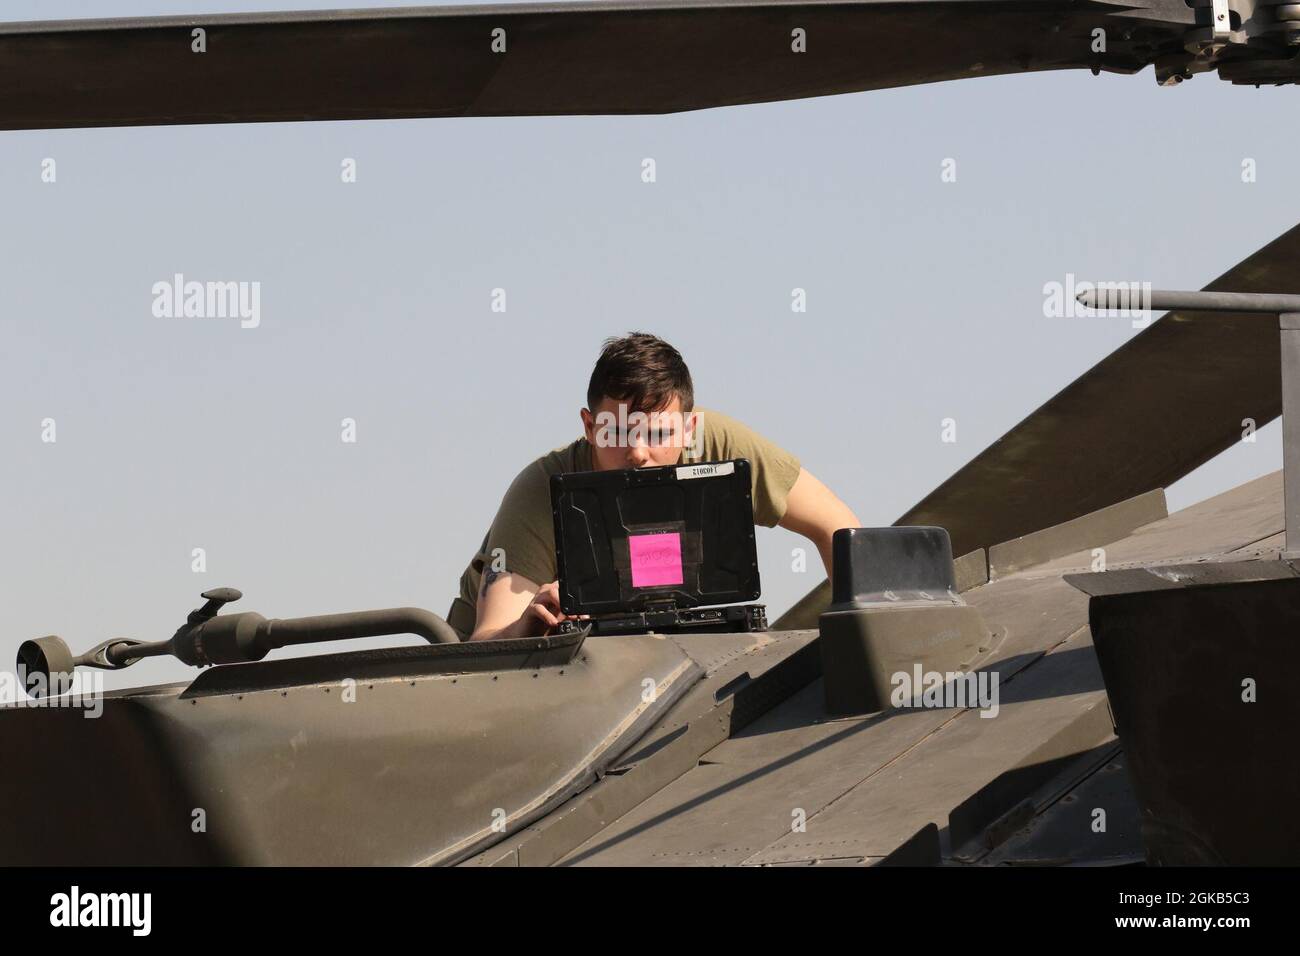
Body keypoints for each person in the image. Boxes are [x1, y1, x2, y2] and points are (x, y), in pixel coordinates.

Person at [448, 333, 860, 640]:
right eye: (620, 433)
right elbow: (487, 640)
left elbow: (837, 527)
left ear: (690, 428)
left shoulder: (718, 446)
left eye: (659, 434)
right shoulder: (541, 490)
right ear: (590, 428)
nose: (639, 453)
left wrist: (855, 650)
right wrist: (531, 624)